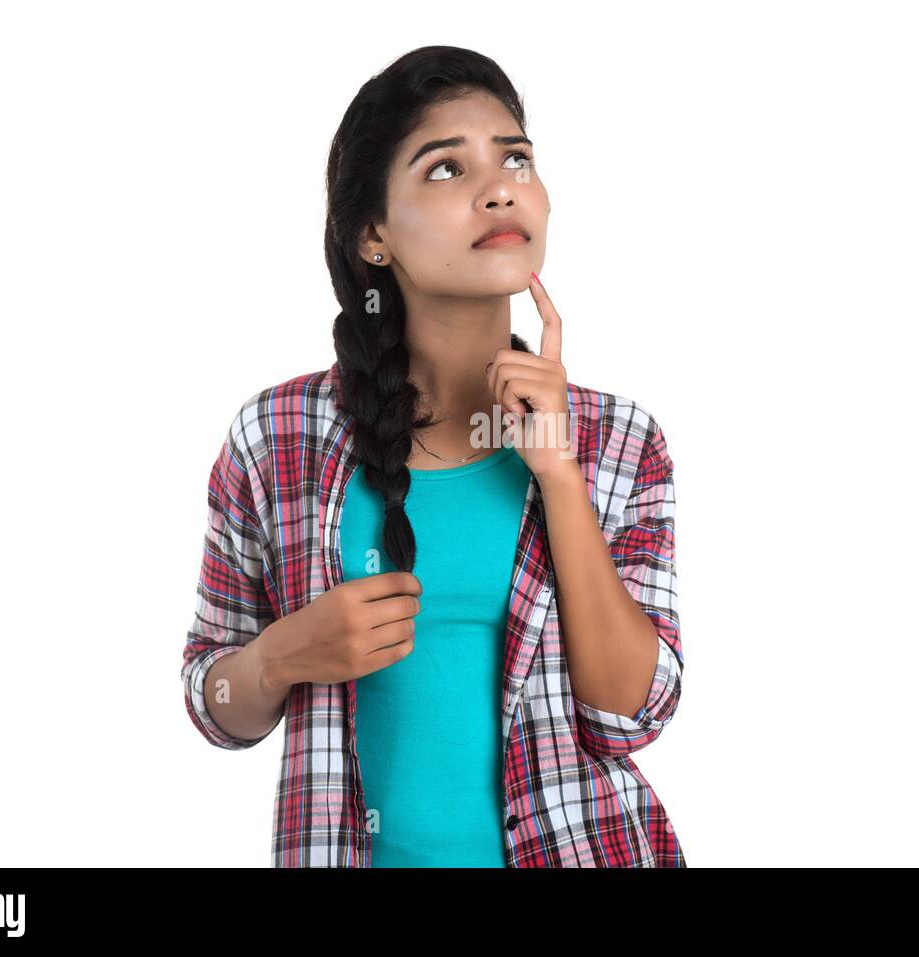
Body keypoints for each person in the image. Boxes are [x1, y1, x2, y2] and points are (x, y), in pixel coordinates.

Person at [180, 45, 685, 867]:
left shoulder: (621, 439)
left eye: (514, 157)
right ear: (374, 237)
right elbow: (214, 700)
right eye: (445, 169)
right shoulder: (276, 436)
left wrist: (559, 476)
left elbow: (632, 712)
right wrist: (281, 654)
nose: (498, 186)